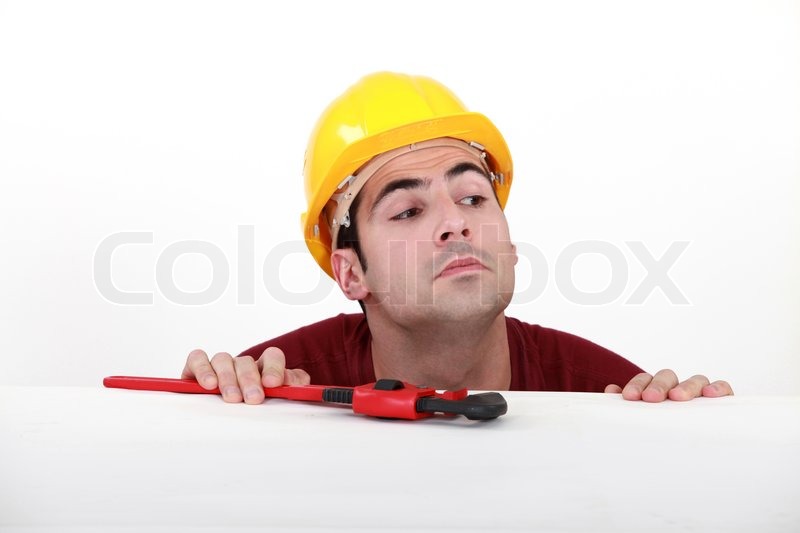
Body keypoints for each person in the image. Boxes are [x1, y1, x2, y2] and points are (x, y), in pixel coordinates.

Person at [181, 71, 733, 404]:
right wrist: (208, 406)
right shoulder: (282, 388)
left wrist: (699, 430)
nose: (456, 223)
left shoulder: (600, 392)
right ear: (351, 273)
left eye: (472, 198)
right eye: (408, 210)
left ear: (509, 244)